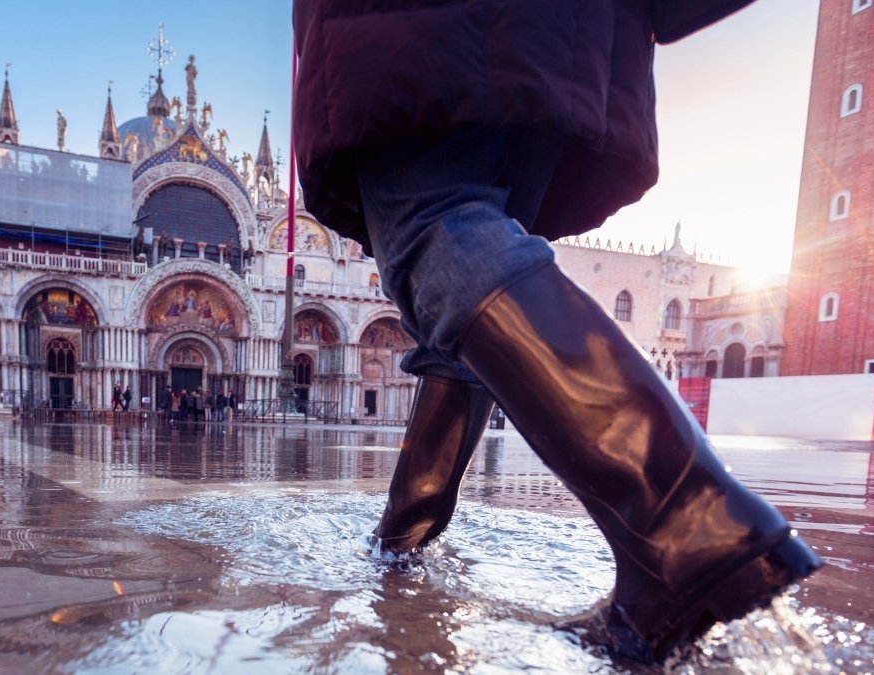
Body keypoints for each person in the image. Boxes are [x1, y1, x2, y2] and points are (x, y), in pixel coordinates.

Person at [293, 0, 820, 663]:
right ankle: (402, 537)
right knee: (464, 269)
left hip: (429, 23)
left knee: (433, 225)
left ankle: (686, 521)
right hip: (560, 33)